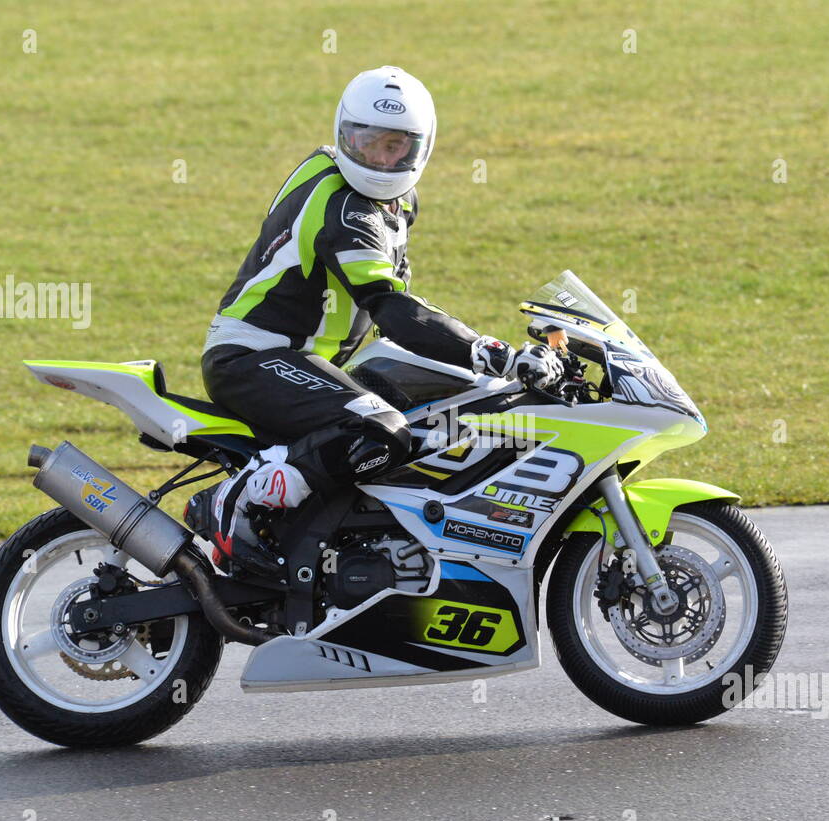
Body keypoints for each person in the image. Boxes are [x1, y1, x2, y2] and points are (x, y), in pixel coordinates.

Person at [198, 65, 561, 572]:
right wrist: (490, 353)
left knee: (442, 412)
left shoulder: (390, 199)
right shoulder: (347, 209)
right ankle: (239, 498)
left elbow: (402, 309)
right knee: (382, 428)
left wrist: (473, 364)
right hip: (254, 357)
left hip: (313, 361)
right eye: (365, 142)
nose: (377, 158)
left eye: (394, 147)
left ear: (420, 150)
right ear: (343, 133)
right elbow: (392, 309)